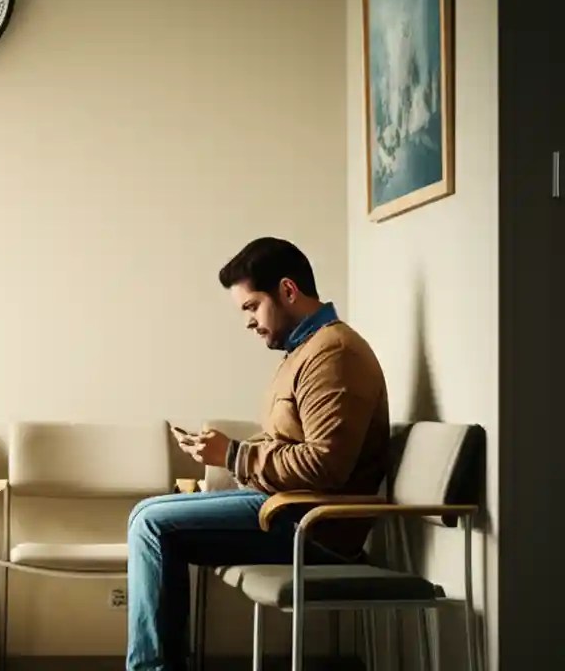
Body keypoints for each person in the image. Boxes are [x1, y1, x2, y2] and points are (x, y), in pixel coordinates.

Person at [125, 237, 390, 671]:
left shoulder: (333, 353)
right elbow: (291, 446)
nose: (248, 321)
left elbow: (326, 465)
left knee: (152, 523)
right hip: (288, 509)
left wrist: (232, 455)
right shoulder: (304, 352)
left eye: (251, 307)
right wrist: (230, 451)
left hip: (315, 526)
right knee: (148, 516)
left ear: (288, 291)